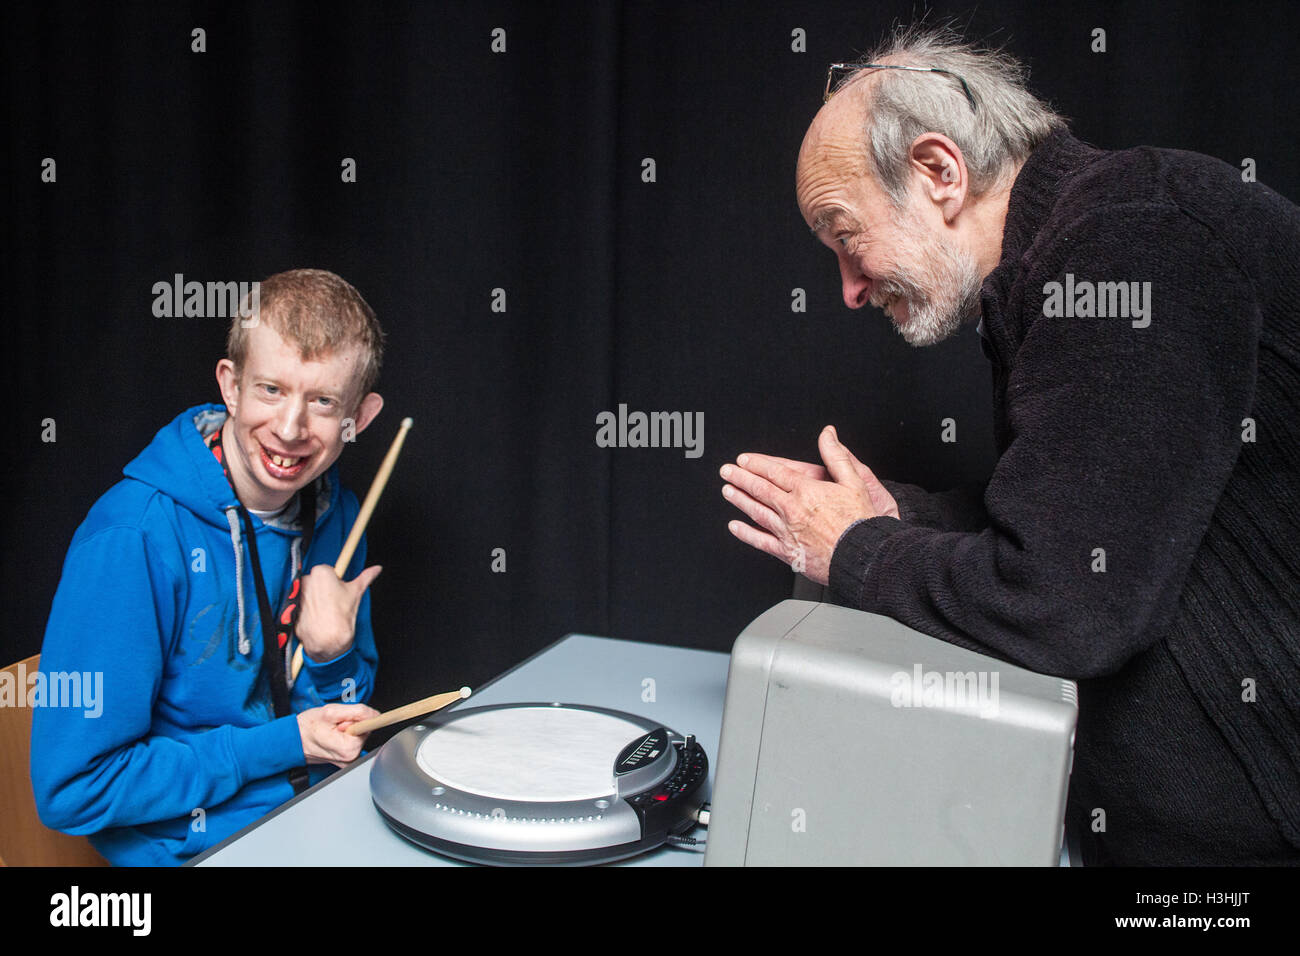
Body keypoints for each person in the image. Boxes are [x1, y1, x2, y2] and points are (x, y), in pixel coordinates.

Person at [720, 26, 1300, 865]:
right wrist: (893, 517)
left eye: (845, 236)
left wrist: (856, 549)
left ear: (938, 173)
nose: (847, 289)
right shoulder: (1069, 255)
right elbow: (1082, 529)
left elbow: (1068, 601)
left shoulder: (1132, 238)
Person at [32, 268, 387, 865]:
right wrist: (278, 747)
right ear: (230, 385)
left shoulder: (335, 511)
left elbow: (339, 723)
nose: (291, 428)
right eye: (270, 389)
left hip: (313, 823)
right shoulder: (133, 537)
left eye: (323, 401)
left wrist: (333, 659)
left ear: (362, 415)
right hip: (186, 852)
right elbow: (73, 789)